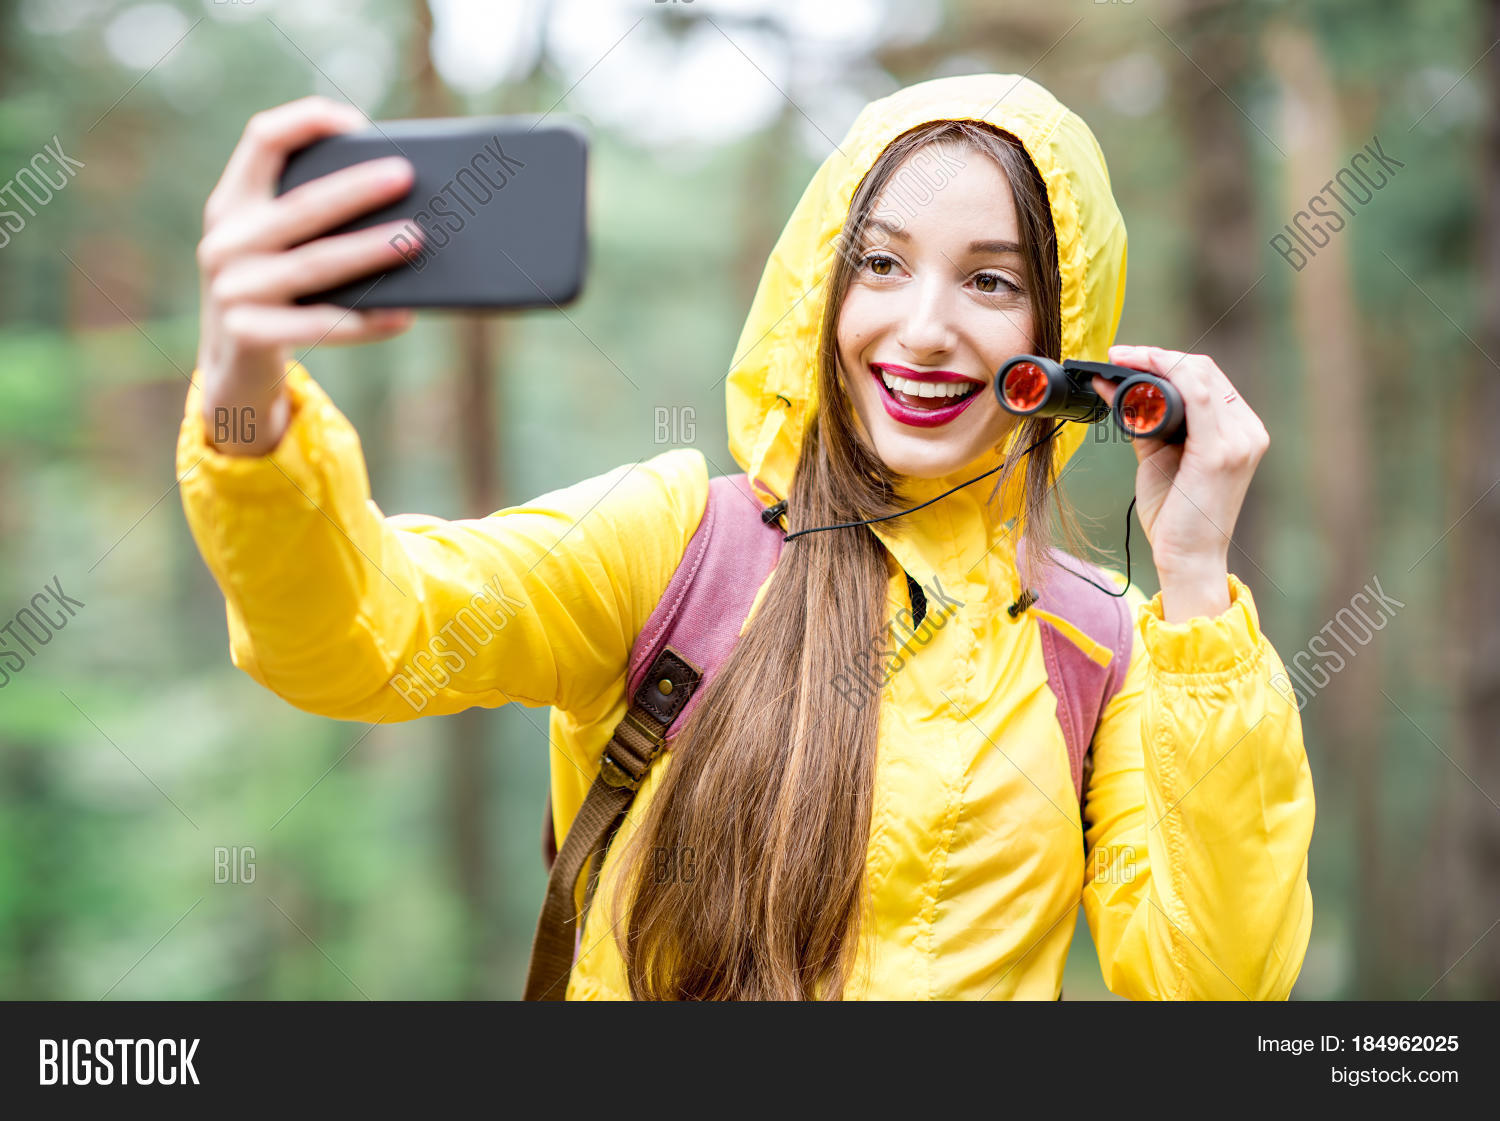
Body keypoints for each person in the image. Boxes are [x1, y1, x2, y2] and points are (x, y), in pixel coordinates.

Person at [179, 73, 1314, 1000]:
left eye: (990, 280)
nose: (924, 329)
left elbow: (1215, 988)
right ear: (819, 287)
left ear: (1061, 342)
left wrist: (1198, 580)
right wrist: (244, 397)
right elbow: (353, 638)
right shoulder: (677, 543)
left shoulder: (1107, 645)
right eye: (880, 262)